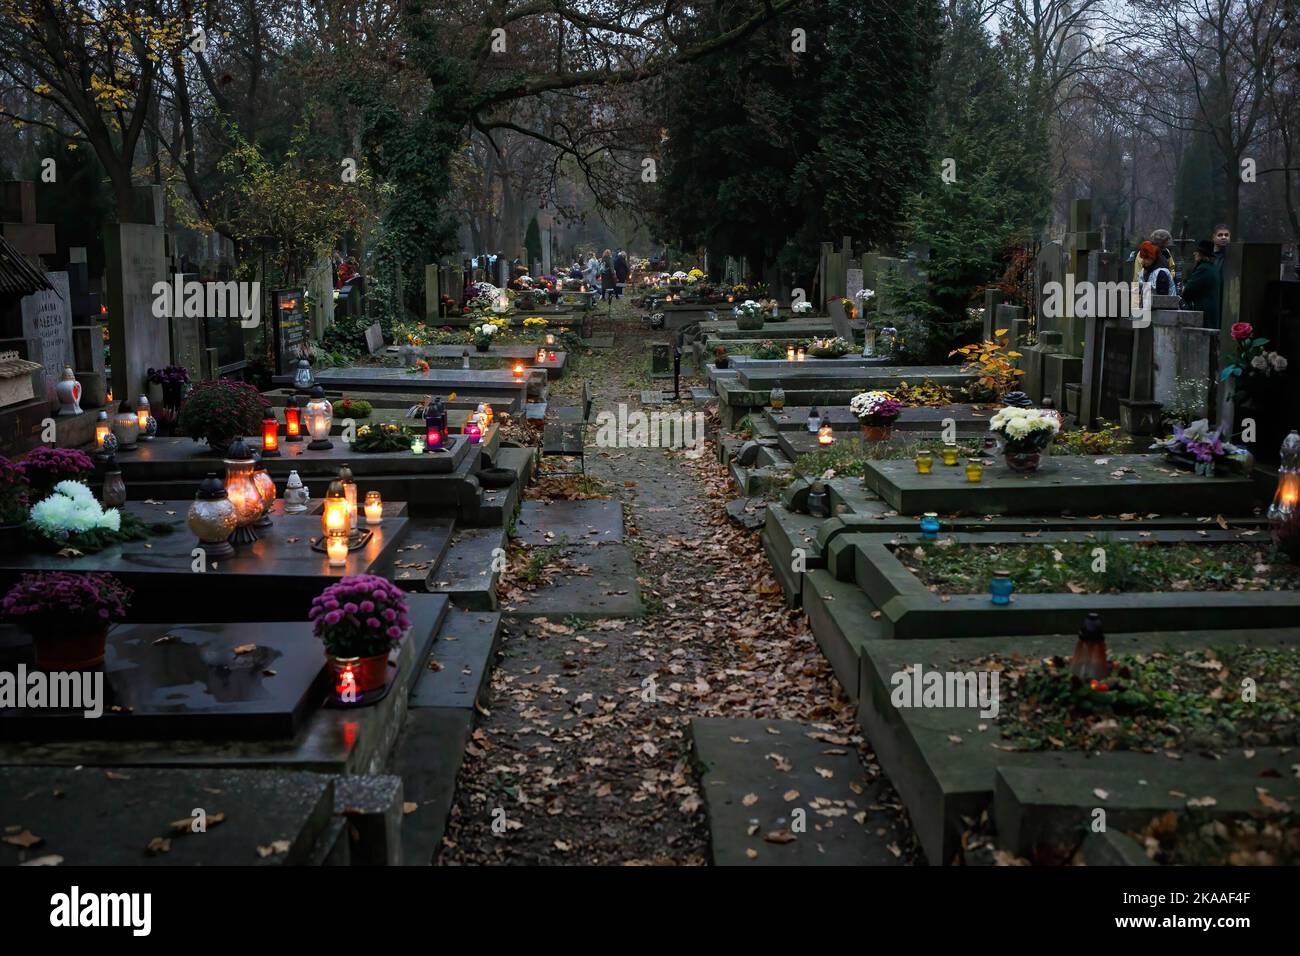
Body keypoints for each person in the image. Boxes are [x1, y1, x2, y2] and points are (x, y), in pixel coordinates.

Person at [1181, 240, 1220, 328]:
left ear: (1202, 254)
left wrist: (1184, 288)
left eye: (1197, 251)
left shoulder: (1203, 269)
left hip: (1203, 311)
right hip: (1208, 311)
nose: (1194, 253)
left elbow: (1188, 290)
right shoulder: (1211, 267)